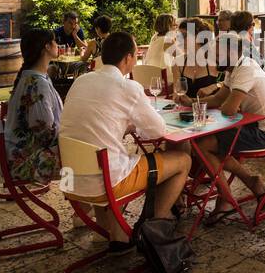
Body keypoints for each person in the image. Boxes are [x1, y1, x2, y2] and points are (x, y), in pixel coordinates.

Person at [60, 31, 193, 248]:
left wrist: (126, 123)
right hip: (106, 182)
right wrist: (137, 123)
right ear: (129, 58)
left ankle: (115, 236)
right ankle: (156, 224)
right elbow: (158, 130)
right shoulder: (127, 87)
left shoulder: (81, 81)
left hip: (71, 179)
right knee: (182, 160)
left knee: (112, 159)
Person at [193, 35, 265, 222]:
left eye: (218, 53)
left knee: (203, 145)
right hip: (253, 125)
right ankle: (250, 182)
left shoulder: (245, 70)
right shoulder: (234, 67)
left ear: (232, 52)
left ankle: (226, 199)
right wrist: (194, 103)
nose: (214, 57)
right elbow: (219, 99)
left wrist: (210, 109)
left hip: (264, 132)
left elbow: (228, 109)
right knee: (206, 144)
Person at [4, 28, 62, 183]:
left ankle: (77, 198)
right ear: (47, 47)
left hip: (20, 153)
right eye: (54, 41)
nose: (57, 44)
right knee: (88, 157)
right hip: (25, 160)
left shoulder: (31, 77)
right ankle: (75, 196)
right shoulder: (37, 84)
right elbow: (45, 134)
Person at [171, 18, 221, 104]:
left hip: (213, 111)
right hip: (188, 111)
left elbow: (231, 83)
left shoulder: (216, 60)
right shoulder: (177, 63)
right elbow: (177, 91)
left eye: (185, 36)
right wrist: (177, 96)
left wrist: (214, 86)